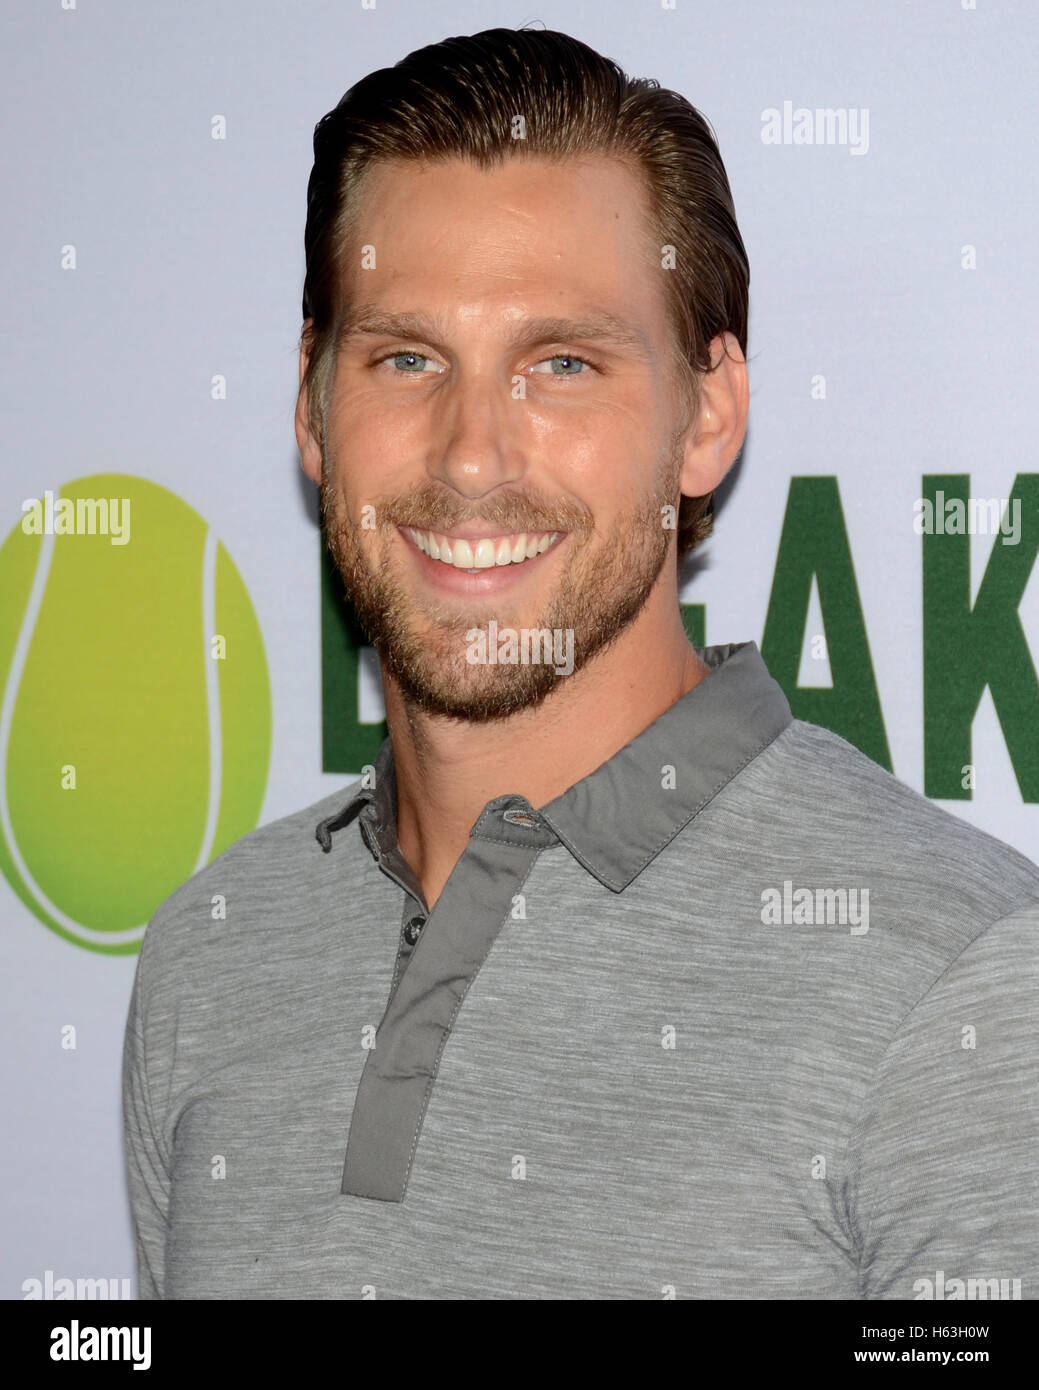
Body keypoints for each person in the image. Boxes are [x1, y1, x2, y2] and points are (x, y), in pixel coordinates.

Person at [123, 25, 1039, 1300]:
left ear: (706, 414)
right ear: (311, 404)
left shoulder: (967, 983)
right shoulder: (209, 957)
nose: (472, 455)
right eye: (405, 358)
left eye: (561, 362)